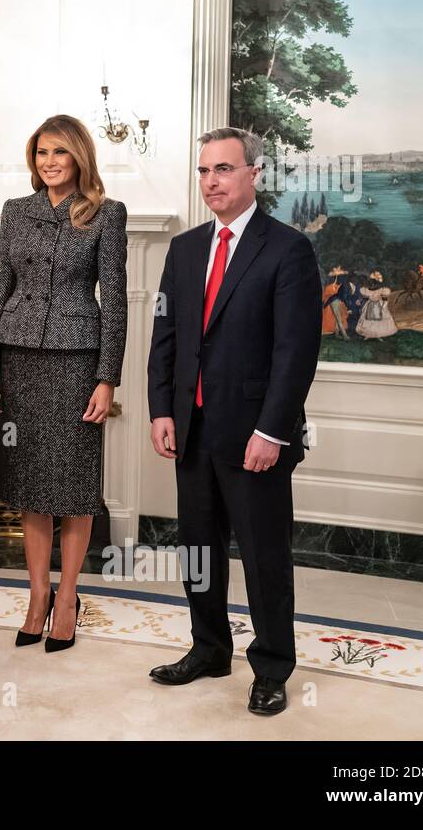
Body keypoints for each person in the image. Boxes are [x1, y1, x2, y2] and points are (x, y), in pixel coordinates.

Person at [146, 126, 321, 716]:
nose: (211, 181)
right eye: (202, 171)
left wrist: (272, 431)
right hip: (191, 430)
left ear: (254, 174)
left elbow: (295, 352)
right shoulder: (185, 248)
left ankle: (271, 666)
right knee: (199, 551)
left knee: (264, 555)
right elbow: (166, 337)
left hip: (254, 437)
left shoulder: (288, 248)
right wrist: (161, 409)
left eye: (223, 169)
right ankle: (209, 648)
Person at [0, 115, 127, 653]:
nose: (50, 162)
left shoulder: (106, 215)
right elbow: (0, 285)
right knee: (31, 486)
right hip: (17, 361)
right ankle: (37, 595)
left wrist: (108, 378)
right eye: (41, 153)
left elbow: (117, 304)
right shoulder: (16, 212)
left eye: (60, 152)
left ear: (79, 156)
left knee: (75, 487)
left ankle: (67, 597)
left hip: (76, 362)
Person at [355, 270, 397, 340]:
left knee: (378, 321)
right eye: (371, 283)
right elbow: (364, 296)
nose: (372, 285)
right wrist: (359, 300)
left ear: (377, 284)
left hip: (379, 305)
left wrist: (383, 306)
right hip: (370, 305)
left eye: (374, 283)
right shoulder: (367, 290)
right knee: (369, 320)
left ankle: (377, 335)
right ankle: (368, 334)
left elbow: (385, 299)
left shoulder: (382, 290)